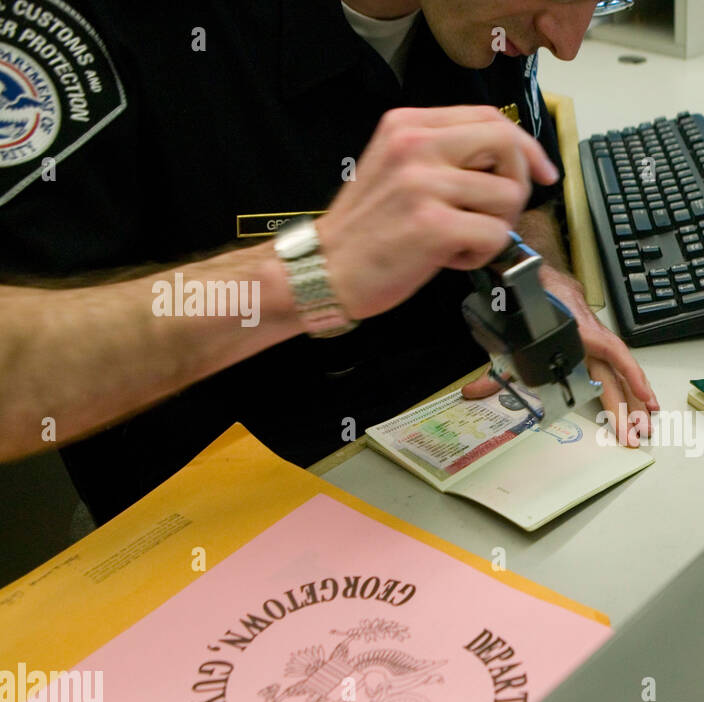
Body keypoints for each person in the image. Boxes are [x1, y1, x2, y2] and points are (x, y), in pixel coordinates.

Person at [0, 0, 657, 521]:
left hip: (460, 482)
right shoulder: (104, 27)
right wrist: (310, 276)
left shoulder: (493, 22)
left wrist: (539, 280)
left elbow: (522, 188)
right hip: (206, 536)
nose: (567, 40)